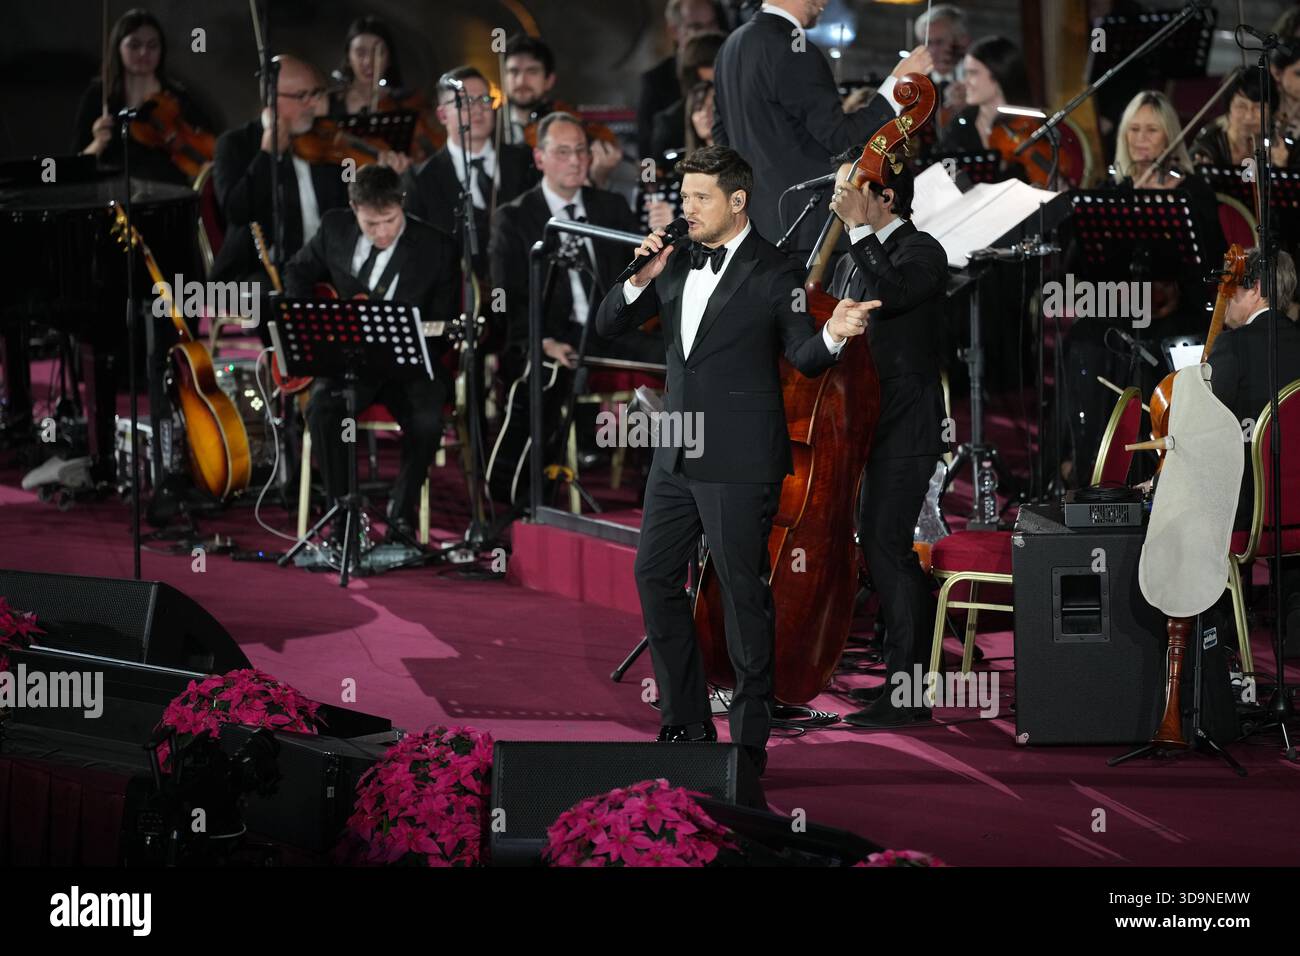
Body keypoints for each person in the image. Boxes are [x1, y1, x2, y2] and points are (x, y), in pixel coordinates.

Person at [594, 145, 876, 774]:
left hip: (741, 459)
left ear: (737, 201)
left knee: (744, 593)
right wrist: (639, 274)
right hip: (677, 451)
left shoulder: (777, 271)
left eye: (699, 198)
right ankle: (684, 719)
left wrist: (836, 333)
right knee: (653, 576)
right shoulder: (673, 258)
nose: (685, 208)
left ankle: (749, 736)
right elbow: (607, 323)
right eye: (684, 195)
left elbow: (803, 353)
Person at [823, 155, 949, 727]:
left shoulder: (923, 251)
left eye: (853, 190)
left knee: (887, 547)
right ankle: (896, 677)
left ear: (887, 198)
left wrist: (854, 230)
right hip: (863, 418)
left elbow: (893, 296)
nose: (840, 198)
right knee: (874, 546)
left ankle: (909, 692)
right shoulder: (858, 254)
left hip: (907, 424)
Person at [285, 164, 459, 549]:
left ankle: (401, 516)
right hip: (348, 362)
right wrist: (313, 319)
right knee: (323, 410)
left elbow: (443, 327)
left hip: (409, 367)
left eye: (390, 221)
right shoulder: (334, 228)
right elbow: (296, 271)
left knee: (428, 421)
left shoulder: (438, 246)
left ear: (402, 205)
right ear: (353, 209)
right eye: (371, 224)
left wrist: (412, 346)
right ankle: (343, 520)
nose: (382, 232)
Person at [711, 0, 932, 254]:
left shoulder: (730, 46)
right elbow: (843, 139)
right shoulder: (794, 48)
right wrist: (898, 85)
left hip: (754, 229)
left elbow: (722, 140)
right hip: (807, 232)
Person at [1206, 249, 1300, 656]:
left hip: (1252, 516)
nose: (1224, 299)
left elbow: (1209, 437)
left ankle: (1223, 645)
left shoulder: (1233, 348)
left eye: (1232, 290)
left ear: (1258, 290)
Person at [210, 55, 348, 289]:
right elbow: (236, 212)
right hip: (256, 270)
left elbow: (345, 208)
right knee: (264, 295)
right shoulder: (236, 143)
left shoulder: (325, 142)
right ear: (272, 99)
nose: (312, 104)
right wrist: (267, 156)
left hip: (320, 265)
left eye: (315, 93)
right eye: (302, 96)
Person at [403, 66, 538, 280]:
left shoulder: (524, 161)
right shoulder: (420, 179)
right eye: (465, 102)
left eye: (484, 100)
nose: (477, 110)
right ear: (442, 114)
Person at [73, 7, 216, 186]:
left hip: (170, 191)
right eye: (134, 45)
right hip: (114, 196)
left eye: (152, 46)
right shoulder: (98, 96)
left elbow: (209, 144)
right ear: (118, 47)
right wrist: (98, 142)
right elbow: (78, 166)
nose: (143, 53)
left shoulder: (177, 96)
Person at [499, 33, 622, 188]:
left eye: (532, 71)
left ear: (549, 80)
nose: (521, 80)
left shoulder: (569, 122)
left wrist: (598, 175)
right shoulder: (491, 126)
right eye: (513, 71)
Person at [637, 0, 726, 159]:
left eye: (712, 24)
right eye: (696, 27)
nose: (707, 32)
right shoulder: (655, 82)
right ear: (673, 31)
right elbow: (646, 154)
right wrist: (649, 181)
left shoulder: (733, 65)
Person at [935, 35, 1032, 181]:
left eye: (972, 73)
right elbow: (946, 177)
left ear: (999, 73)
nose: (965, 81)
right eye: (965, 73)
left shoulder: (1029, 125)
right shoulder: (960, 125)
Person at [649, 31, 726, 164]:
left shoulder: (740, 112)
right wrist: (651, 181)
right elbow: (649, 165)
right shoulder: (669, 123)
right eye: (713, 64)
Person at [1190, 71, 1276, 171]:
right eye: (1241, 106)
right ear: (1228, 109)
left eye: (1258, 107)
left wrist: (1280, 165)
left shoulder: (1275, 144)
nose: (1249, 116)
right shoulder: (1208, 145)